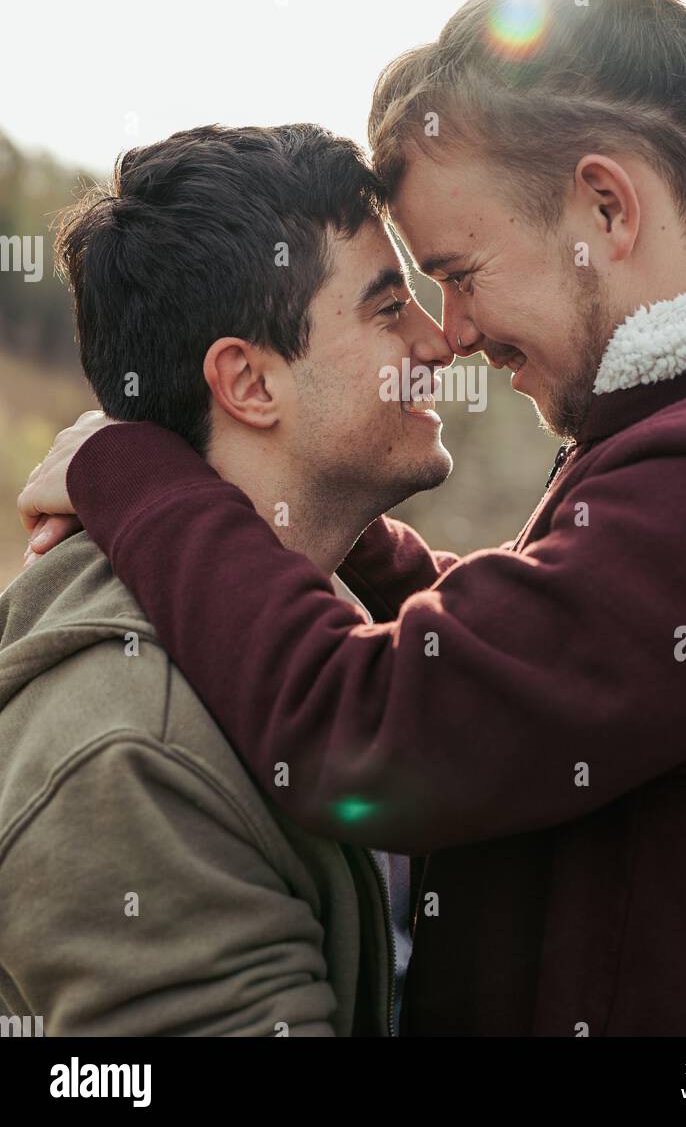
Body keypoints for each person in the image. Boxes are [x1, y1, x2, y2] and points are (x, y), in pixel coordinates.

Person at [21, 0, 686, 1039]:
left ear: (604, 209)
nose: (447, 333)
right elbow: (558, 649)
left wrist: (132, 471)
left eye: (455, 275)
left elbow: (373, 731)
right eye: (400, 294)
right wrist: (360, 559)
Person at [1, 121, 455, 1036]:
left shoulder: (312, 602)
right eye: (387, 307)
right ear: (248, 384)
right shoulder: (134, 756)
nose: (441, 343)